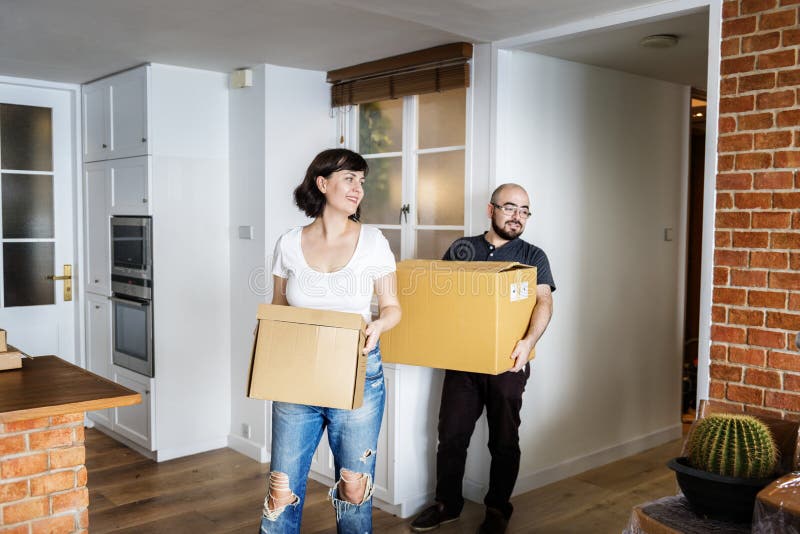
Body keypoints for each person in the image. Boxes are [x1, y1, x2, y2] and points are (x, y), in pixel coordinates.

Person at [259, 148, 401, 534]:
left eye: (362, 181)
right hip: (296, 376)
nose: (358, 188)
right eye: (349, 178)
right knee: (280, 491)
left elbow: (392, 307)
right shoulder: (288, 242)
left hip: (357, 371)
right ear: (322, 184)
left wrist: (379, 325)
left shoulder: (374, 241)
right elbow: (278, 306)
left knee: (354, 491)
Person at [410, 184, 555, 534]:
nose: (518, 216)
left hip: (509, 363)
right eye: (510, 207)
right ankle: (447, 505)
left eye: (524, 210)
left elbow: (544, 303)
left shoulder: (534, 256)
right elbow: (440, 298)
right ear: (491, 210)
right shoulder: (463, 249)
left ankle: (497, 510)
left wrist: (528, 341)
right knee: (452, 435)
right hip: (463, 363)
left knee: (503, 440)